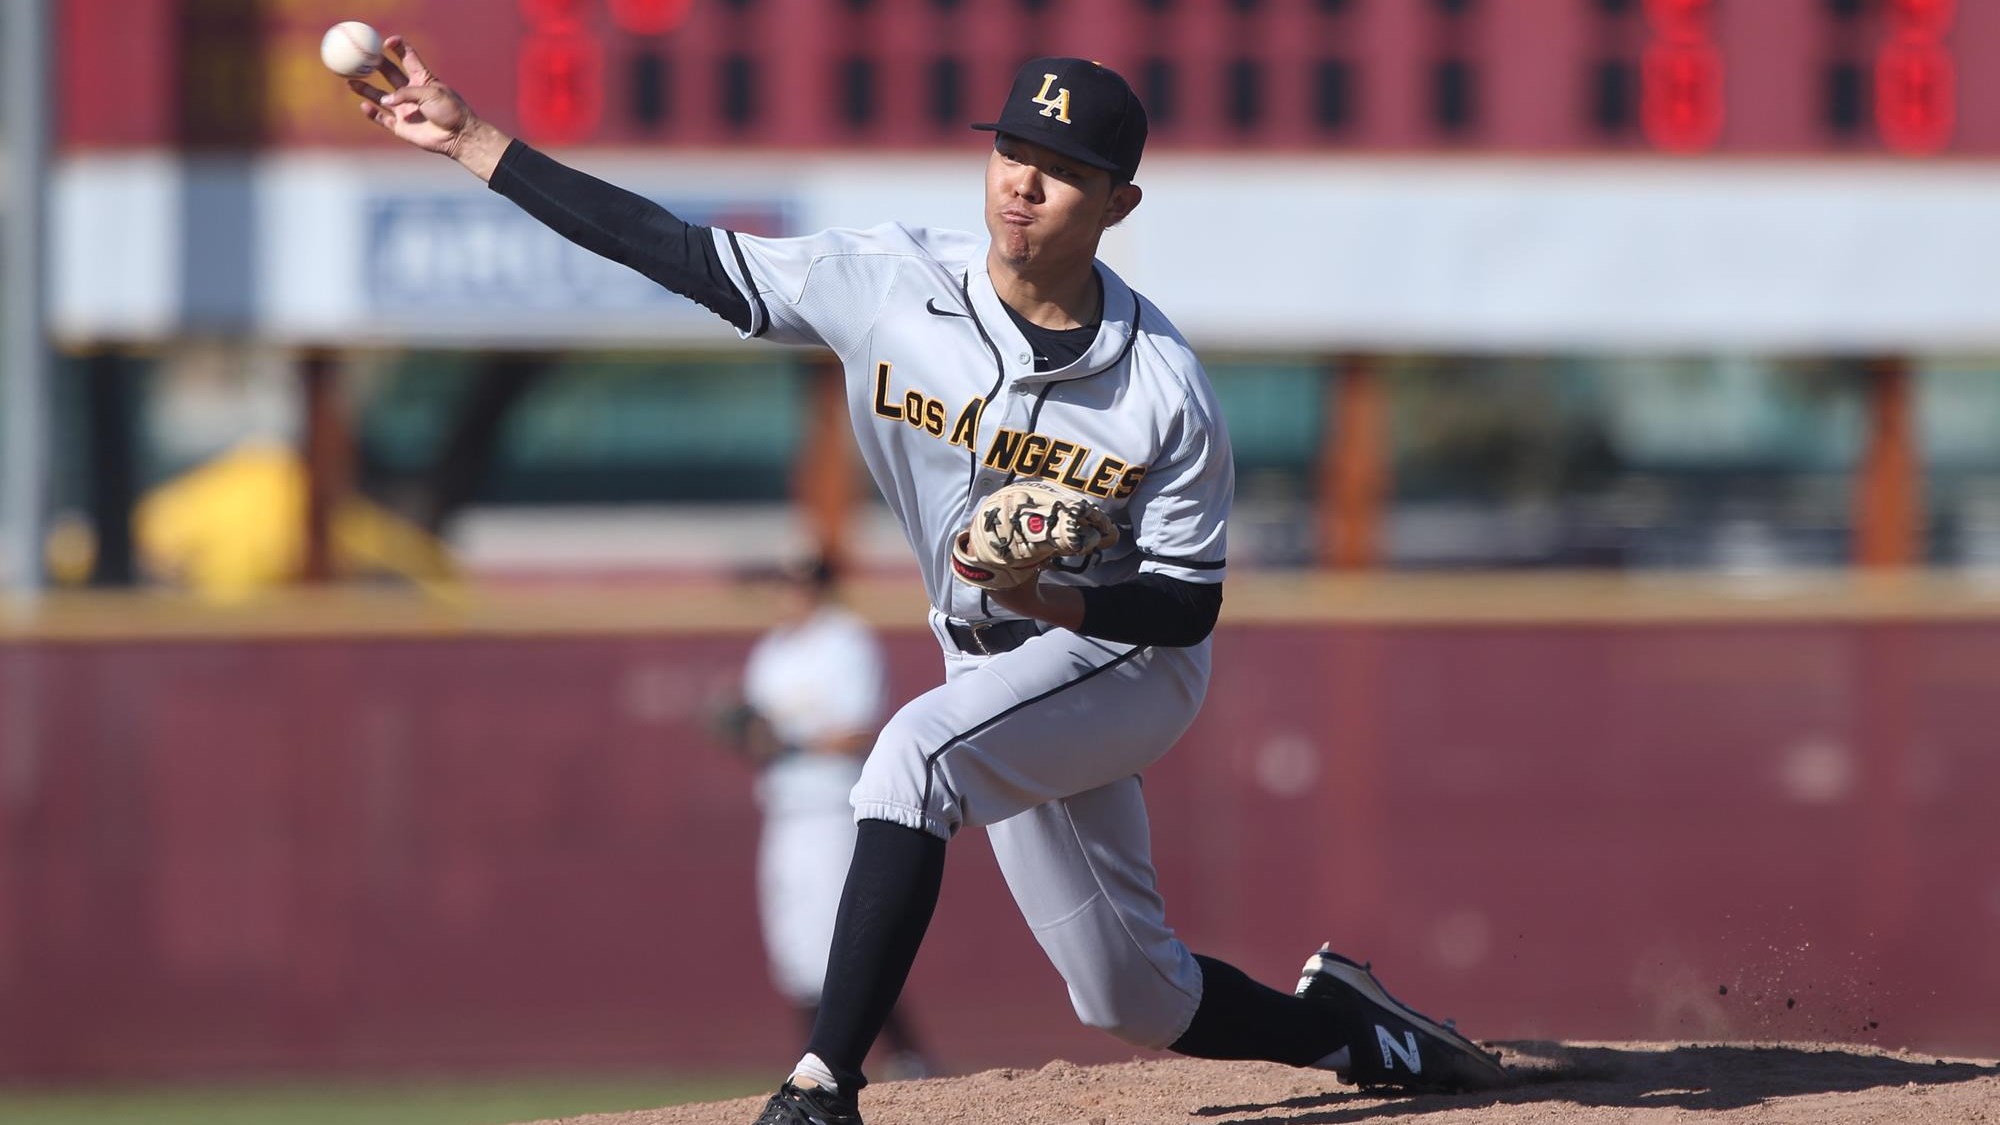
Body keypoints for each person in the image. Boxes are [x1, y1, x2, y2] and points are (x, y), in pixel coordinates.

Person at [347, 43, 1511, 1125]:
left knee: (913, 755)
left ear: (1119, 204)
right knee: (1128, 998)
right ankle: (1358, 1035)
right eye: (1012, 153)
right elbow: (681, 253)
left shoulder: (1161, 387)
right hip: (987, 660)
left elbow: (1188, 603)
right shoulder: (890, 282)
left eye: (1062, 172)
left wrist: (1055, 600)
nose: (1021, 187)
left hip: (1124, 661)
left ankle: (822, 1083)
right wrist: (472, 143)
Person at [713, 557, 935, 1080]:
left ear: (817, 586)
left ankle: (906, 1062)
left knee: (838, 943)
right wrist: (743, 730)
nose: (783, 595)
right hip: (785, 808)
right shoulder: (772, 650)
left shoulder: (845, 641)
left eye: (792, 583)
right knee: (792, 948)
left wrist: (785, 739)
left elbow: (861, 729)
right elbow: (760, 733)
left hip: (834, 807)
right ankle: (816, 1068)